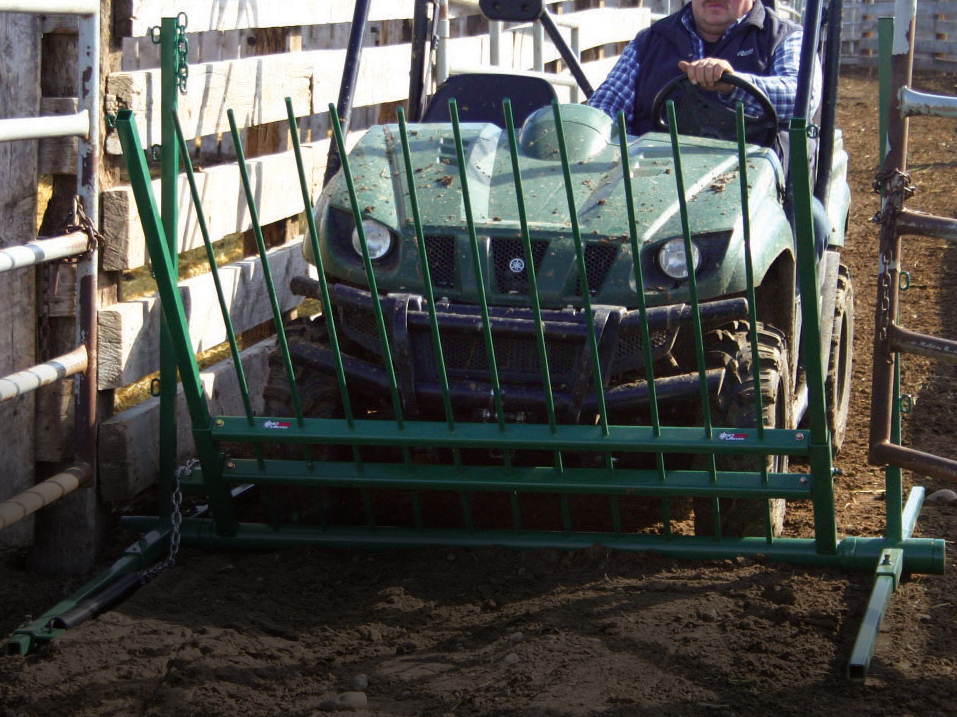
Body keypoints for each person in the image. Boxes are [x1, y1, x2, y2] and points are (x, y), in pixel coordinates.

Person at [587, 0, 818, 137]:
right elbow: (605, 106)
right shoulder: (649, 41)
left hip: (754, 187)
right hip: (650, 180)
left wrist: (735, 85)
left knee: (814, 219)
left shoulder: (785, 37)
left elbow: (802, 98)